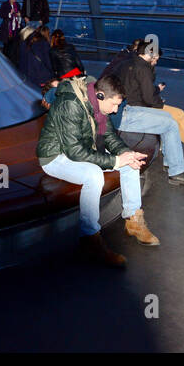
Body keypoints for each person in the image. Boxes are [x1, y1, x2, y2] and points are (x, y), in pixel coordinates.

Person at [37, 71, 155, 266]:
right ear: (100, 96)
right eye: (114, 104)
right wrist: (116, 161)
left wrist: (127, 154)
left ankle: (133, 219)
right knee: (93, 175)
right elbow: (74, 152)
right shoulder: (70, 103)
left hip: (82, 148)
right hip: (55, 155)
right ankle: (90, 239)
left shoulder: (98, 103)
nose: (116, 110)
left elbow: (108, 136)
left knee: (129, 163)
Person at [106, 39, 184, 164]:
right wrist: (159, 102)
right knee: (178, 115)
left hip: (130, 104)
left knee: (176, 116)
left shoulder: (129, 63)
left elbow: (136, 89)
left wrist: (155, 93)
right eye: (156, 58)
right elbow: (149, 98)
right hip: (137, 107)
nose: (156, 61)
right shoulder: (143, 68)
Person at [18, 25, 55, 91]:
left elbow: (22, 63)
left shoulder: (23, 44)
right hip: (43, 77)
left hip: (29, 78)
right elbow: (48, 62)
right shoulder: (43, 43)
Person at [0, 0, 23, 64]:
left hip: (16, 28)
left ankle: (12, 61)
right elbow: (1, 15)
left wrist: (19, 14)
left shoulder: (17, 5)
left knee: (14, 46)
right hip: (7, 29)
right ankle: (5, 62)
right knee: (6, 46)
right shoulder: (5, 4)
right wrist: (10, 13)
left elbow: (20, 13)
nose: (14, 1)